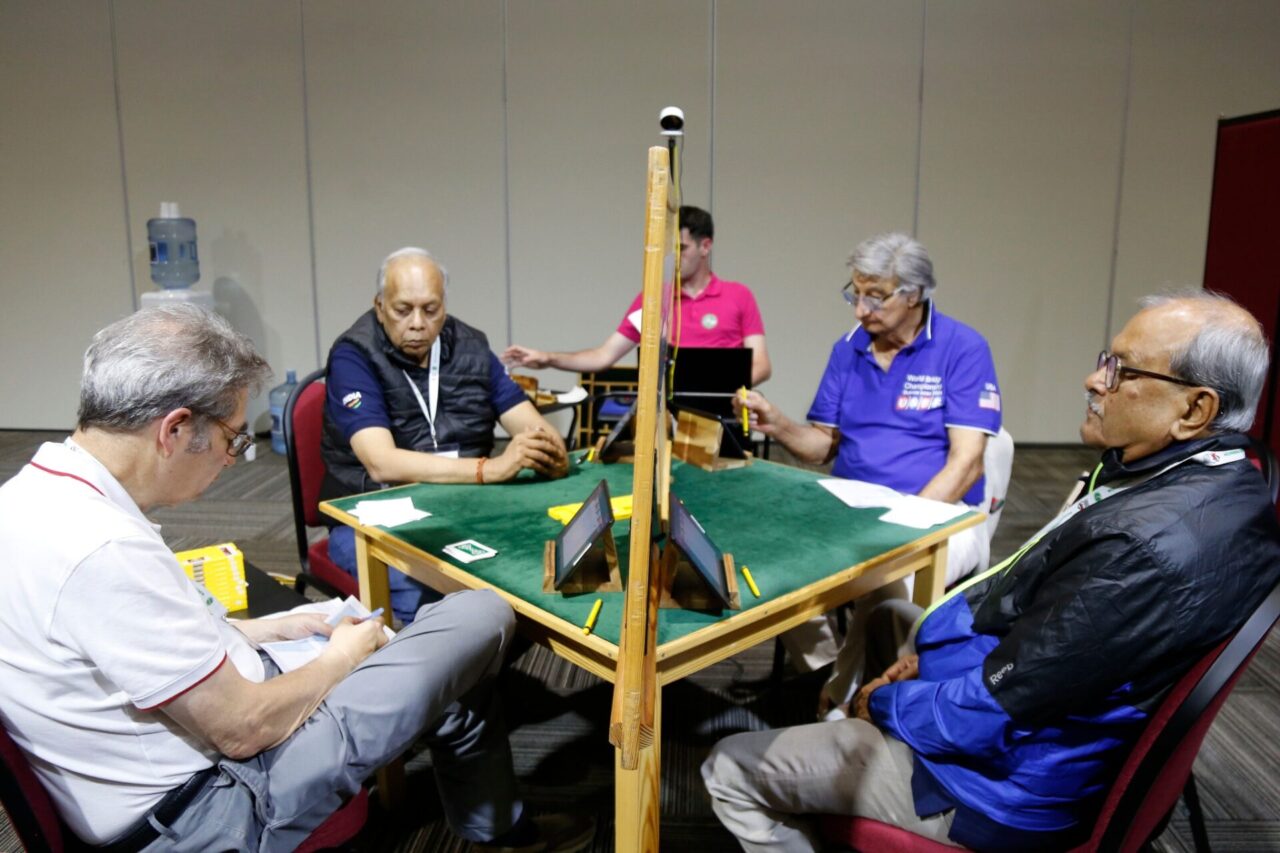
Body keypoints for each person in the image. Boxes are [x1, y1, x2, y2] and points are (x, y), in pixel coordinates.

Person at [0, 304, 593, 852]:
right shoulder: (104, 550)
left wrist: (267, 629)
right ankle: (498, 825)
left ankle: (495, 823)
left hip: (188, 753)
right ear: (174, 430)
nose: (234, 457)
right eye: (233, 439)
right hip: (218, 804)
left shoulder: (33, 497)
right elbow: (243, 728)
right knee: (481, 612)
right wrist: (340, 658)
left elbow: (124, 651)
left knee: (441, 668)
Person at [703, 291, 1280, 852]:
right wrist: (930, 663)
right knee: (887, 616)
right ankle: (839, 738)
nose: (1093, 380)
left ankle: (843, 753)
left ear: (1194, 409)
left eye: (1122, 371)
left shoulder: (1136, 549)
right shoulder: (1231, 484)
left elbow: (991, 711)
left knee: (727, 768)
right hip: (1038, 714)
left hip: (996, 786)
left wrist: (881, 704)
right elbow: (1050, 647)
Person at [736, 233, 1001, 677]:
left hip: (942, 515)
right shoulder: (849, 348)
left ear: (914, 294)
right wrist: (778, 423)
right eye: (855, 295)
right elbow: (823, 446)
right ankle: (824, 672)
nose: (861, 311)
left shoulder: (963, 348)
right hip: (853, 508)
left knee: (884, 576)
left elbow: (967, 463)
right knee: (768, 558)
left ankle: (849, 694)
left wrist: (900, 526)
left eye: (875, 297)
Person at [321, 247, 568, 624]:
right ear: (379, 306)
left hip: (463, 503)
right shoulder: (353, 355)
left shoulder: (471, 346)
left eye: (431, 309)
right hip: (374, 515)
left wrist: (547, 449)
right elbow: (381, 462)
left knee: (530, 566)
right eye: (403, 310)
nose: (418, 324)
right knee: (435, 605)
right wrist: (488, 469)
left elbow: (535, 428)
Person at [502, 205, 772, 386]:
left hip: (727, 417)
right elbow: (603, 356)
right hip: (670, 421)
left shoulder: (739, 296)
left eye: (682, 248)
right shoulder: (653, 299)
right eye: (671, 249)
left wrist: (716, 391)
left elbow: (761, 365)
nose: (674, 257)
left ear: (705, 246)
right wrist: (548, 358)